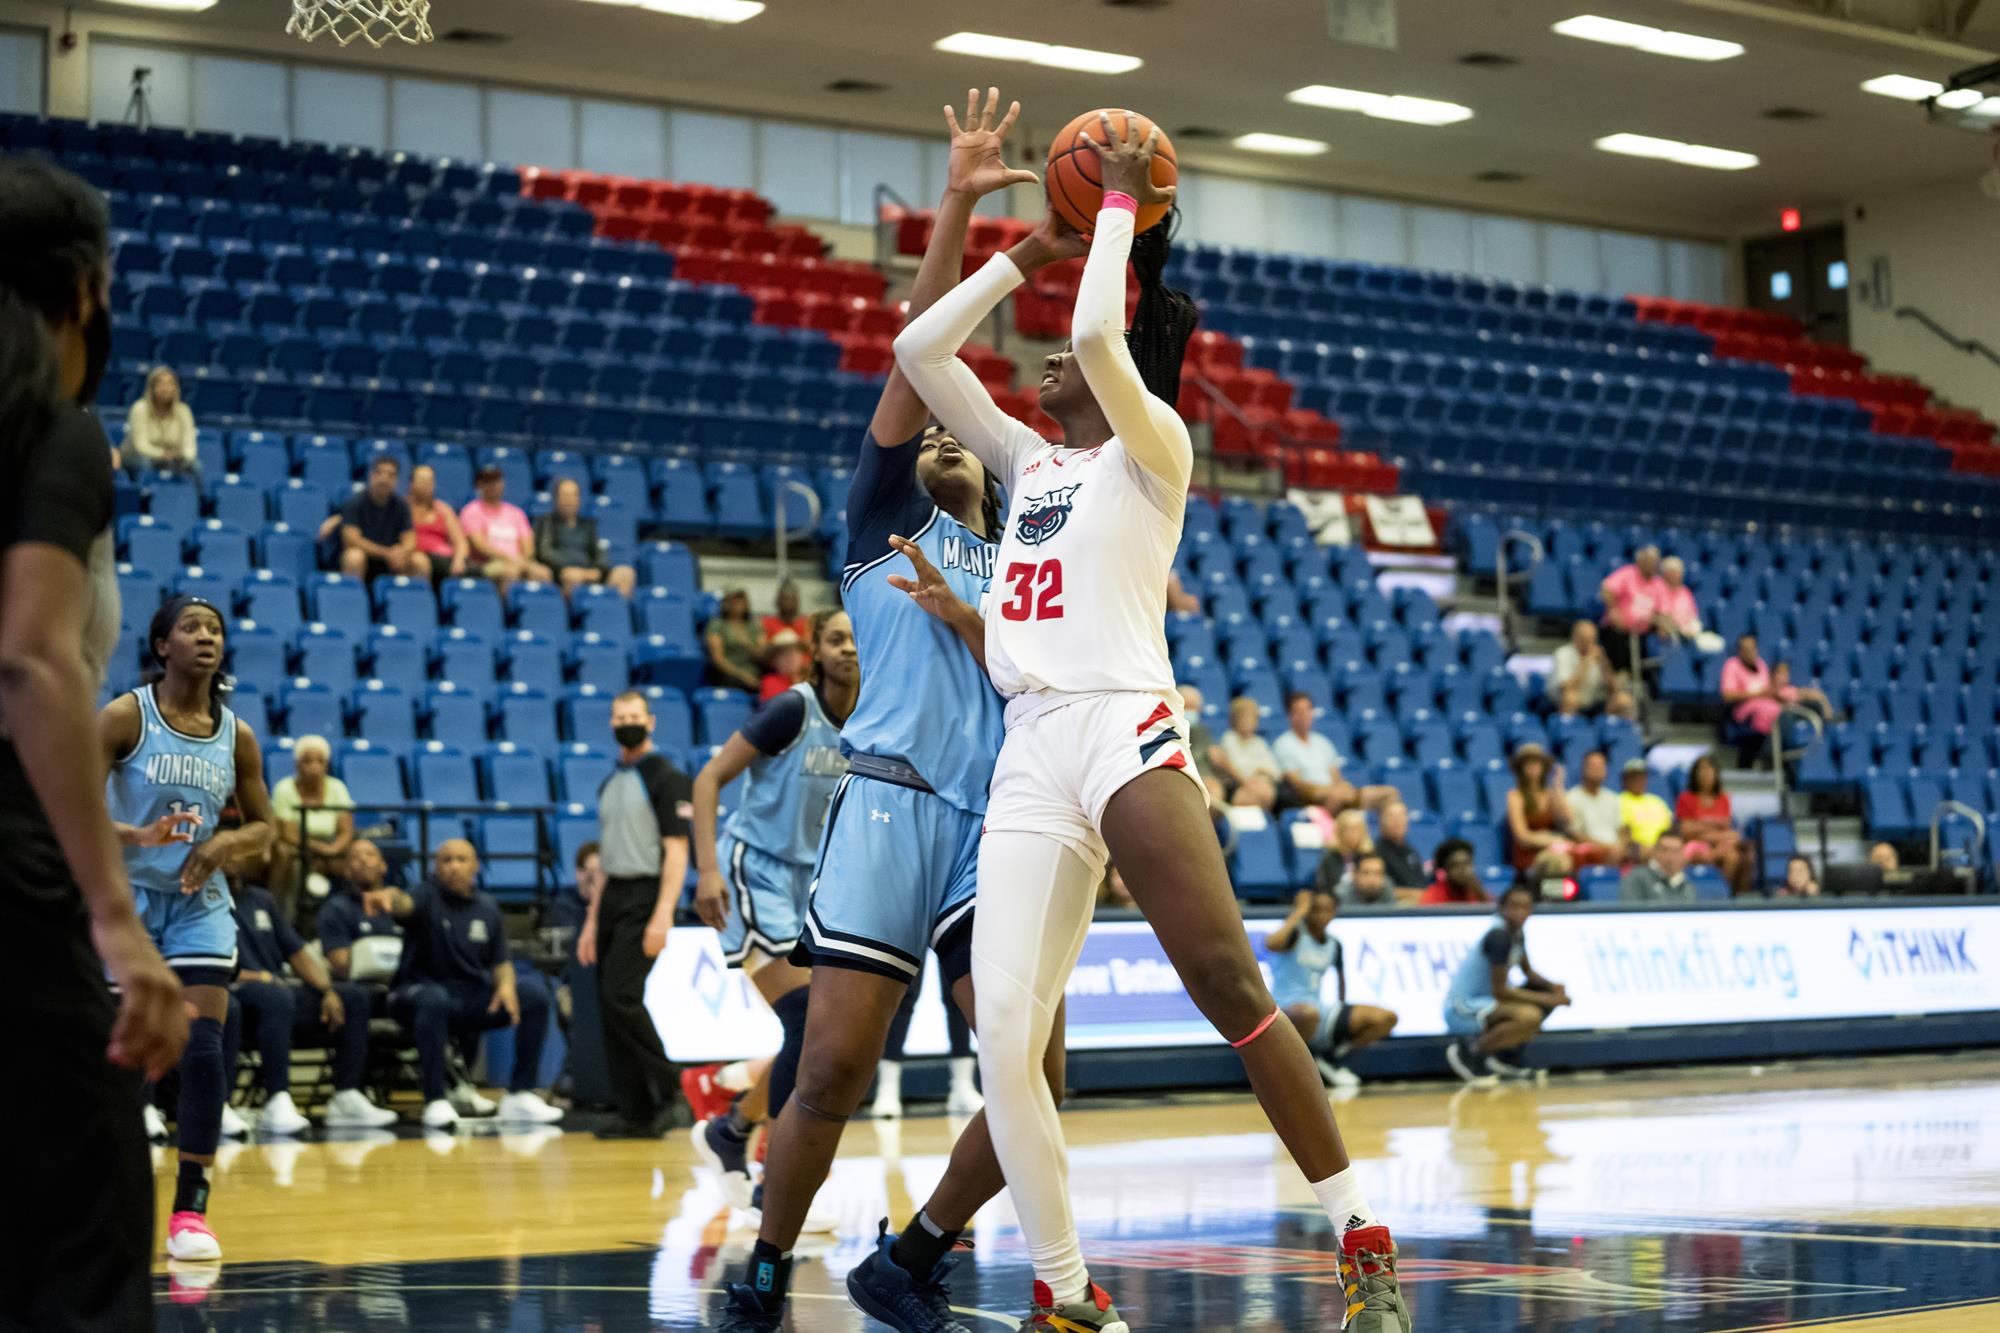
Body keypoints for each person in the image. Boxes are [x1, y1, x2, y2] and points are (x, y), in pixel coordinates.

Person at [893, 108, 1408, 1329]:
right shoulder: (1026, 463)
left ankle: (1361, 1239)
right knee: (1004, 1041)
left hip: (1126, 727)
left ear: (1124, 368)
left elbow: (1090, 328)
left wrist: (1109, 213)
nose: (1041, 368)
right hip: (1031, 748)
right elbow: (920, 349)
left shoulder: (1153, 450)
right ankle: (1069, 1296)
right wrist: (1029, 243)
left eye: (1062, 364)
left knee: (1227, 978)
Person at [715, 88, 1069, 1333]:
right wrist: (966, 205)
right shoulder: (880, 526)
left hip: (993, 830)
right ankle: (760, 1263)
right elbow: (917, 344)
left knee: (1037, 1069)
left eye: (967, 439)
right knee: (831, 1071)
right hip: (885, 813)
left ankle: (910, 1252)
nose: (944, 442)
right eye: (932, 435)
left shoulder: (1031, 554)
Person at [1, 158, 187, 1332]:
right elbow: (31, 660)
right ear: (85, 290)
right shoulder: (55, 437)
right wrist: (117, 918)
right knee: (87, 1248)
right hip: (13, 889)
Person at [102, 595, 276, 1263]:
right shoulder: (125, 716)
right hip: (131, 902)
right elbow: (71, 798)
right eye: (192, 626)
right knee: (129, 1059)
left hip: (199, 902)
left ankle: (191, 1210)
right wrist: (133, 833)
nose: (206, 636)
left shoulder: (237, 734)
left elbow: (266, 826)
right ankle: (113, 1204)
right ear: (161, 644)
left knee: (203, 1049)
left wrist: (225, 847)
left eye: (216, 628)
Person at [689, 612, 859, 1198]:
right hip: (754, 869)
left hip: (814, 881)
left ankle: (733, 1130)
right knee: (805, 1018)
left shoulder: (876, 718)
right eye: (836, 638)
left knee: (819, 1033)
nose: (848, 648)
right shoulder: (794, 709)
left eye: (857, 637)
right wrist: (707, 870)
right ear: (816, 649)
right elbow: (709, 778)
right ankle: (774, 1175)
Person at [386, 840, 565, 1128]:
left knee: (533, 995)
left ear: (475, 866)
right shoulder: (426, 894)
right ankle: (435, 1099)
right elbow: (404, 906)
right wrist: (392, 896)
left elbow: (501, 962)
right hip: (416, 994)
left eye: (460, 859)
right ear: (435, 866)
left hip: (468, 996)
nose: (453, 866)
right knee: (434, 1000)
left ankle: (519, 1094)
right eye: (446, 860)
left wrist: (506, 987)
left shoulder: (487, 906)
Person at [581, 690, 693, 1138]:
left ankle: (676, 1088)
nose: (626, 722)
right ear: (611, 724)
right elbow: (605, 860)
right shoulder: (611, 782)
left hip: (647, 894)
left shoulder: (666, 777)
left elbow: (677, 850)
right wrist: (591, 921)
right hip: (612, 897)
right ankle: (636, 1112)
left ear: (651, 723)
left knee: (621, 995)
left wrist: (664, 913)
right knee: (611, 1006)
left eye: (634, 716)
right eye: (619, 716)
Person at [227, 878, 395, 1132]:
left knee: (353, 996)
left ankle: (346, 1096)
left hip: (275, 992)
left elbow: (296, 951)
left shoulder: (262, 899)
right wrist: (260, 977)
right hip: (236, 990)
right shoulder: (206, 898)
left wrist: (327, 990)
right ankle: (276, 1099)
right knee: (276, 997)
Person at [1267, 888, 1398, 1091]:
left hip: (1319, 1010)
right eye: (1315, 909)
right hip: (1286, 1010)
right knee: (1309, 1013)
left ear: (1334, 912)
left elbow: (1341, 982)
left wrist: (1342, 1014)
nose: (1320, 915)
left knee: (1386, 1017)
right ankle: (1302, 1067)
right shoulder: (1294, 934)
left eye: (1327, 910)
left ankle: (1333, 1059)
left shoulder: (1334, 944)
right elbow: (1271, 943)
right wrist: (1299, 910)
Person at [1443, 883, 1570, 1085]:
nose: (1520, 912)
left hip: (1488, 1003)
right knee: (1529, 1015)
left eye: (1525, 907)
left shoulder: (1517, 934)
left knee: (1546, 996)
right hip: (1464, 1007)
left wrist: (1554, 987)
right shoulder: (1499, 936)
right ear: (1501, 908)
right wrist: (1548, 998)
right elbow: (1500, 991)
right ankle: (1470, 1052)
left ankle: (1505, 1056)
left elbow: (1528, 972)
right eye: (1514, 906)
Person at [267, 733, 354, 914]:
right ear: (297, 764)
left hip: (332, 846)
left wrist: (333, 850)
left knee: (358, 858)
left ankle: (351, 917)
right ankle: (285, 917)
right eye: (308, 761)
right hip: (299, 847)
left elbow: (346, 830)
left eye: (320, 761)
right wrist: (322, 850)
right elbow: (289, 834)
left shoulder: (338, 787)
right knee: (289, 859)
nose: (314, 766)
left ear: (327, 765)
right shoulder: (284, 788)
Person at [1273, 690, 1393, 813]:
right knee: (1335, 796)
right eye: (1299, 711)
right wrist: (1328, 791)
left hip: (1336, 792)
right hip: (1310, 796)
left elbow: (1336, 775)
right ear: (1290, 715)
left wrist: (1342, 786)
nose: (1305, 715)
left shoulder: (1322, 742)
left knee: (1389, 794)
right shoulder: (1283, 743)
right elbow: (1295, 784)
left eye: (1308, 710)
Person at [535, 476, 636, 600]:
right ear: (555, 499)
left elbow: (599, 554)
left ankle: (614, 613)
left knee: (625, 573)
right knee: (572, 576)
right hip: (562, 573)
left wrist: (597, 571)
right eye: (564, 496)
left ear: (579, 499)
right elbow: (545, 552)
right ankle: (575, 617)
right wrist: (575, 568)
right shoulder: (546, 522)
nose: (569, 500)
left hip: (589, 571)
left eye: (573, 495)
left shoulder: (588, 524)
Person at [460, 464, 549, 595]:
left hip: (519, 560)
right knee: (510, 572)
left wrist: (524, 559)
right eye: (488, 482)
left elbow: (528, 543)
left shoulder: (516, 512)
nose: (494, 486)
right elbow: (480, 545)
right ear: (480, 485)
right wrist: (509, 559)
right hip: (489, 562)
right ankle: (506, 613)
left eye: (497, 481)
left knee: (542, 573)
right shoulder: (471, 511)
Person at [338, 456, 429, 582]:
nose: (384, 479)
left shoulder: (401, 506)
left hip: (392, 561)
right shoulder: (354, 503)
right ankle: (353, 598)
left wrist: (401, 552)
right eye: (379, 473)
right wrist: (386, 553)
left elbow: (410, 539)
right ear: (371, 475)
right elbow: (352, 540)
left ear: (396, 480)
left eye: (390, 475)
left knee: (420, 560)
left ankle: (411, 599)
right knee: (354, 556)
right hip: (367, 557)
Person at [1506, 744, 1581, 875]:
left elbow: (1569, 820)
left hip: (1553, 849)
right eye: (1528, 762)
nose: (1533, 765)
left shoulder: (1550, 794)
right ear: (1521, 767)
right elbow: (1522, 837)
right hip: (1529, 854)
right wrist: (1552, 839)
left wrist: (1558, 786)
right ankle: (1556, 893)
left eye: (1537, 761)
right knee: (1558, 862)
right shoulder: (1515, 796)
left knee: (1586, 855)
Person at [1675, 754, 1745, 892]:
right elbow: (1685, 831)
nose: (1705, 774)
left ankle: (1723, 894)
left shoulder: (1724, 799)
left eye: (1709, 770)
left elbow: (1729, 833)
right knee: (1695, 854)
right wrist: (1714, 824)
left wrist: (1701, 828)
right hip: (1692, 845)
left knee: (1733, 856)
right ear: (1694, 774)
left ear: (1716, 774)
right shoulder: (1685, 798)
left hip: (1719, 846)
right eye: (1701, 770)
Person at [122, 364, 199, 480]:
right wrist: (163, 454)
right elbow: (141, 446)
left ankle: (202, 498)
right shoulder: (139, 408)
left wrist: (184, 457)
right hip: (138, 457)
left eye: (170, 383)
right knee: (145, 463)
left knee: (195, 465)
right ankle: (145, 495)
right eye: (161, 384)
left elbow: (189, 444)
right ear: (151, 388)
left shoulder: (184, 411)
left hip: (171, 458)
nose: (166, 388)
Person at [1547, 620, 1633, 719]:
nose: (1590, 643)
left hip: (1592, 699)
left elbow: (1613, 689)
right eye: (1586, 639)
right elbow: (1567, 687)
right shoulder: (1563, 653)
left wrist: (1605, 665)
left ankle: (1612, 730)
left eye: (1592, 639)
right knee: (1571, 698)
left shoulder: (1598, 655)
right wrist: (1585, 663)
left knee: (1622, 700)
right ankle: (1568, 730)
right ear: (1575, 637)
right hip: (1561, 700)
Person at [1599, 544, 1664, 673]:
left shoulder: (1659, 583)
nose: (1653, 566)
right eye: (1650, 562)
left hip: (1642, 633)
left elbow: (1661, 610)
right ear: (1640, 561)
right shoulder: (1627, 573)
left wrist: (1661, 623)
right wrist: (1613, 611)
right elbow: (1607, 590)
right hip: (1618, 631)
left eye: (1655, 562)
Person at [1210, 694, 1281, 810]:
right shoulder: (1229, 739)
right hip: (1238, 786)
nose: (1249, 721)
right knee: (1259, 794)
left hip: (1261, 785)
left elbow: (1275, 772)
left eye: (1253, 717)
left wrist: (1260, 775)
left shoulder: (1259, 742)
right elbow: (1237, 768)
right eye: (1244, 717)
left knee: (1266, 791)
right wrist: (1257, 773)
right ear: (1235, 719)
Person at [408, 462, 468, 582]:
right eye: (422, 480)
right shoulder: (402, 508)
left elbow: (461, 542)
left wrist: (459, 560)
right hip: (416, 556)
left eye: (430, 481)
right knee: (419, 561)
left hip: (444, 558)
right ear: (411, 483)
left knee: (474, 573)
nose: (426, 484)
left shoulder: (443, 509)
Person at [1565, 751, 1626, 864]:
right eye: (1593, 766)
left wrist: (1621, 846)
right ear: (1583, 769)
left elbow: (1622, 828)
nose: (1597, 769)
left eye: (1601, 766)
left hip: (1616, 849)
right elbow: (1574, 834)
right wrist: (1605, 848)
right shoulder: (1571, 797)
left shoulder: (1613, 797)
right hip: (1591, 849)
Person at [706, 588, 766, 693]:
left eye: (741, 600)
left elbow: (762, 654)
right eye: (734, 600)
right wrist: (743, 676)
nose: (738, 604)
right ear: (726, 603)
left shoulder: (754, 626)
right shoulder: (717, 624)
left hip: (754, 673)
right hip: (729, 674)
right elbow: (718, 659)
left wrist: (746, 643)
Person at [1618, 759, 1675, 854]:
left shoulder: (1657, 801)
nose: (1638, 780)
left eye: (1642, 777)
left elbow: (1671, 828)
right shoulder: (1619, 800)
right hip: (1637, 850)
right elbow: (1623, 833)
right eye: (1634, 777)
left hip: (1663, 847)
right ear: (1625, 779)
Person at [1313, 807, 1375, 893]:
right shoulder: (1330, 857)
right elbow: (1328, 885)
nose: (1353, 834)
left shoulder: (1369, 855)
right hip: (1337, 901)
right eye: (1349, 830)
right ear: (1340, 832)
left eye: (1357, 830)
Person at [1619, 832, 1692, 903]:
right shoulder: (1636, 878)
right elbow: (1631, 911)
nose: (1669, 856)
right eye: (1664, 849)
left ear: (1683, 854)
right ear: (1654, 851)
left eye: (1675, 851)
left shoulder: (1688, 885)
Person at [1417, 838, 1490, 905]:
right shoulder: (1433, 894)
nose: (1463, 870)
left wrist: (1481, 895)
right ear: (1446, 870)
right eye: (1455, 865)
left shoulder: (1478, 891)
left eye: (1467, 863)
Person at [1373, 802, 1427, 891]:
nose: (1398, 821)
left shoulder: (1411, 850)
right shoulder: (1376, 852)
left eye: (1402, 815)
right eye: (1392, 817)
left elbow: (1421, 883)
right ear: (1380, 820)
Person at [1655, 556, 1702, 642]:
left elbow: (1693, 614)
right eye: (1672, 572)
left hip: (1687, 632)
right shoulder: (1658, 589)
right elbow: (1661, 614)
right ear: (1665, 574)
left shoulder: (1685, 591)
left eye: (1678, 572)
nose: (1676, 576)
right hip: (1669, 633)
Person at [759, 628, 808, 702]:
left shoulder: (810, 679)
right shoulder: (770, 682)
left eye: (796, 651)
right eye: (784, 653)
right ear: (774, 661)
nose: (791, 656)